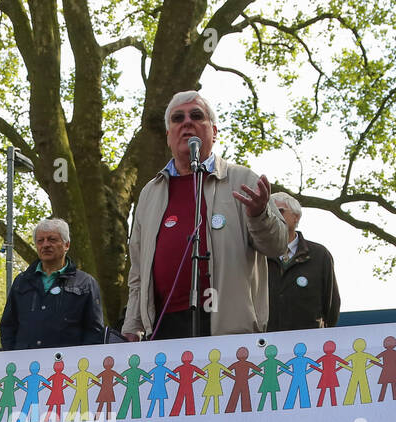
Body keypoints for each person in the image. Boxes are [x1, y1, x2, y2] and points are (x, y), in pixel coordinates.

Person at [122, 91, 286, 341]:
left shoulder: (242, 180)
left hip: (228, 328)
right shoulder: (150, 192)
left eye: (196, 115)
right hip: (164, 328)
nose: (187, 122)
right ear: (168, 135)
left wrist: (259, 215)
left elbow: (278, 246)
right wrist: (132, 325)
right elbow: (137, 270)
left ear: (214, 131)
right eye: (177, 118)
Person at [0, 218, 106, 350]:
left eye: (52, 239)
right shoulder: (21, 281)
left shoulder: (85, 283)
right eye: (40, 241)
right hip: (25, 365)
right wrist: (13, 357)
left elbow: (94, 331)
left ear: (66, 245)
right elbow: (8, 326)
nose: (45, 245)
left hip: (68, 366)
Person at [266, 192, 340, 330]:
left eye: (280, 211)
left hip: (310, 344)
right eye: (270, 212)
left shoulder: (319, 255)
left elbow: (331, 306)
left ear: (296, 217)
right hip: (267, 345)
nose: (274, 215)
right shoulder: (258, 256)